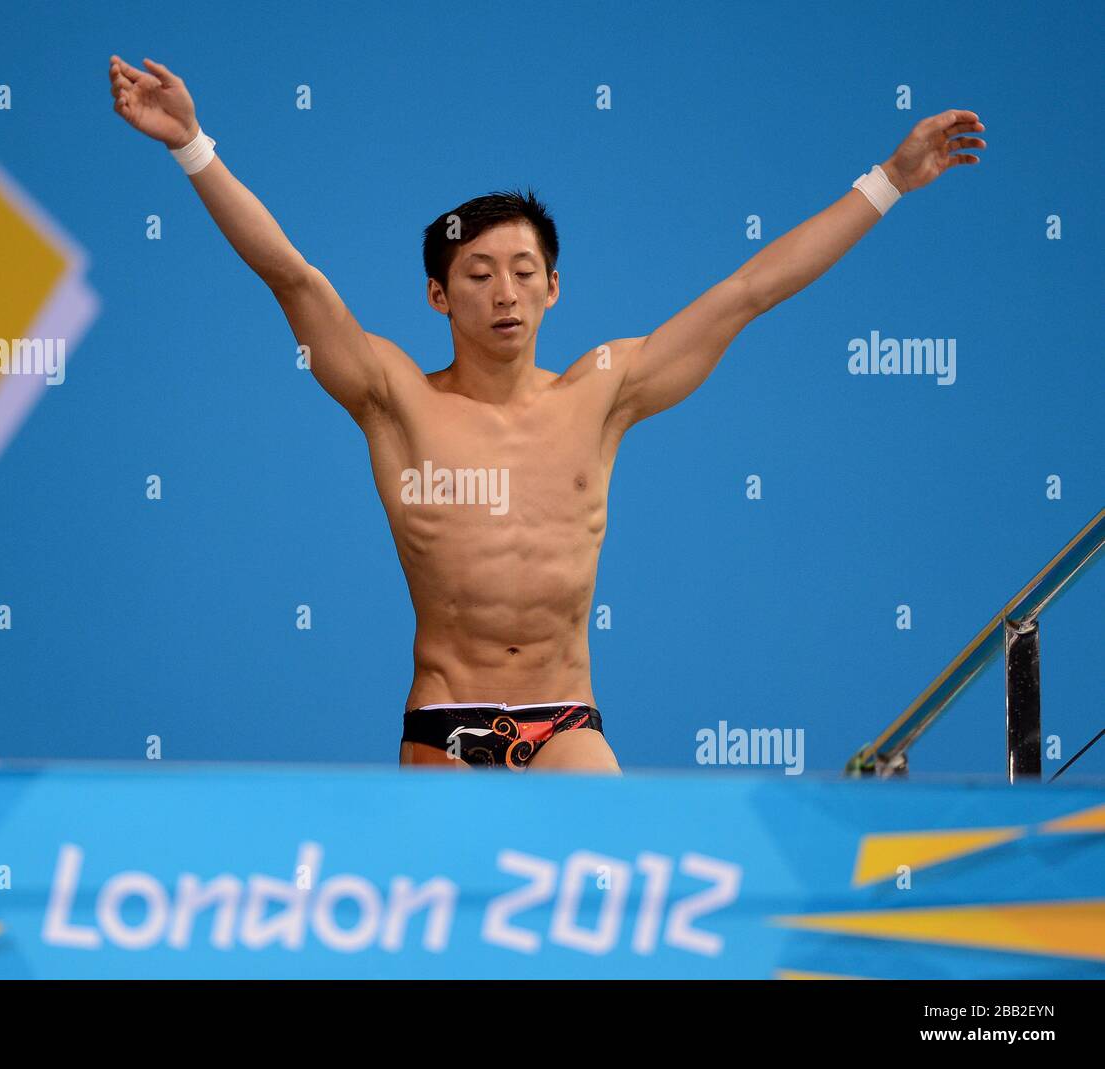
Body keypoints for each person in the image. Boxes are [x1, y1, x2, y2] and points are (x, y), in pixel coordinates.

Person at [108, 54, 984, 773]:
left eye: (525, 272)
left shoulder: (602, 393)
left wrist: (891, 181)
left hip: (567, 718)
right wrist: (192, 145)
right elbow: (292, 275)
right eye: (479, 273)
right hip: (446, 720)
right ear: (437, 296)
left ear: (555, 288)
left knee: (609, 925)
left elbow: (749, 291)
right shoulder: (394, 399)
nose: (505, 292)